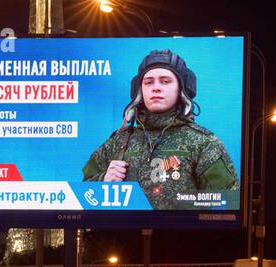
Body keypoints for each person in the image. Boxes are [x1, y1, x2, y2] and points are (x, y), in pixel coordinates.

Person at [81, 50, 238, 210]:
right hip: (123, 234)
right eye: (148, 82)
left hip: (182, 234)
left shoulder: (203, 143)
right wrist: (103, 181)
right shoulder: (118, 142)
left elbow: (228, 204)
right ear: (139, 90)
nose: (156, 88)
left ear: (181, 89)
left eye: (165, 81)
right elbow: (83, 194)